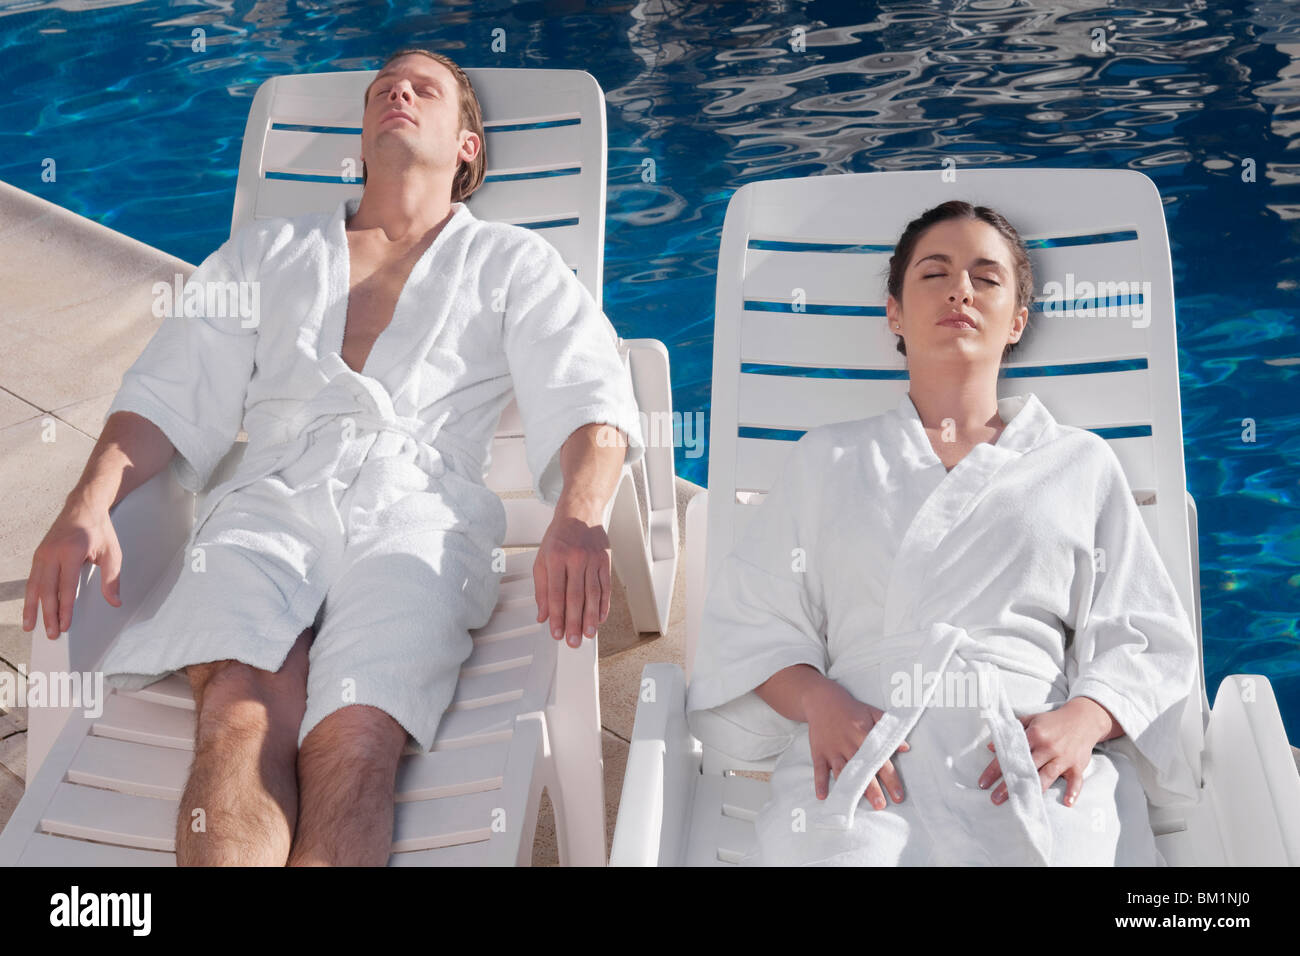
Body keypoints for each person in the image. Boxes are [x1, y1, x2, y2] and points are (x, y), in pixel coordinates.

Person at [21, 48, 645, 866]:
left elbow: (593, 397)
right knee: (239, 711)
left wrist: (580, 514)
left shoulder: (513, 263)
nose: (399, 91)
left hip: (418, 518)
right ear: (362, 132)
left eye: (425, 88)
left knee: (357, 728)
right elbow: (168, 393)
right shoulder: (267, 253)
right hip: (268, 503)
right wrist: (88, 501)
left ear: (467, 146)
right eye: (385, 86)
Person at [685, 200, 1199, 866]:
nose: (961, 289)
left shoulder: (1078, 462)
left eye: (986, 278)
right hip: (868, 754)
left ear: (1017, 321)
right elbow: (754, 620)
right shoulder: (829, 457)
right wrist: (819, 702)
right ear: (894, 313)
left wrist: (1085, 719)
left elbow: (1145, 631)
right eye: (934, 273)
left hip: (1027, 757)